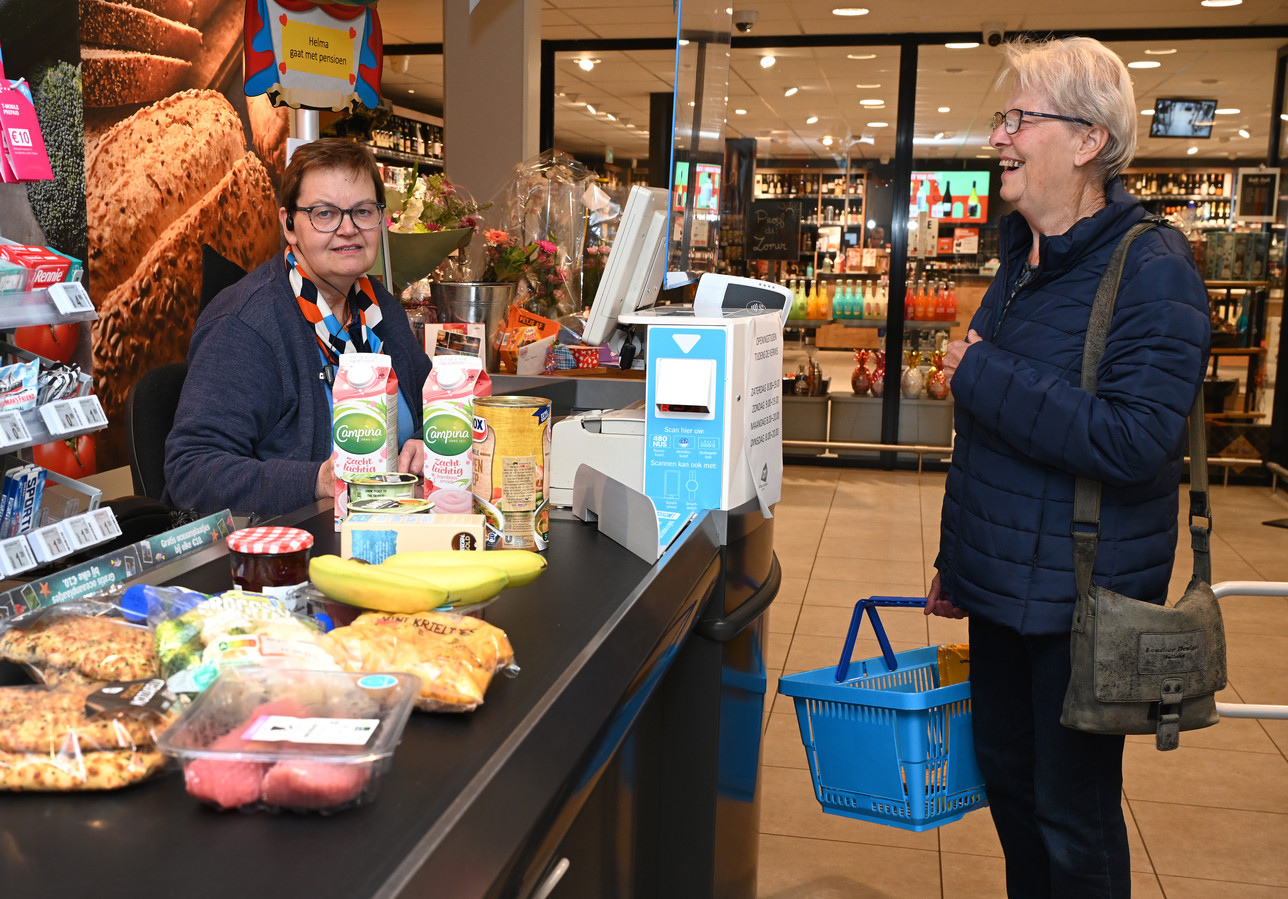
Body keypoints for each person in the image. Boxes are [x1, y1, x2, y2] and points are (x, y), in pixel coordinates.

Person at [924, 37, 1210, 898]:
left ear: (1088, 141)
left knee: (1073, 819)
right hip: (1003, 589)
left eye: (1018, 118)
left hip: (1084, 604)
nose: (999, 137)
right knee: (1010, 791)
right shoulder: (1022, 260)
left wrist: (981, 372)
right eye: (1001, 117)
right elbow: (986, 438)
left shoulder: (1154, 271)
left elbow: (1134, 440)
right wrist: (958, 561)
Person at [164, 138, 431, 517]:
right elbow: (191, 472)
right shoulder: (244, 326)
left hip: (387, 530)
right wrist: (317, 481)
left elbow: (429, 408)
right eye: (325, 214)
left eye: (363, 211)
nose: (348, 229)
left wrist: (425, 442)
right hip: (289, 554)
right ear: (289, 225)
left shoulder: (381, 309)